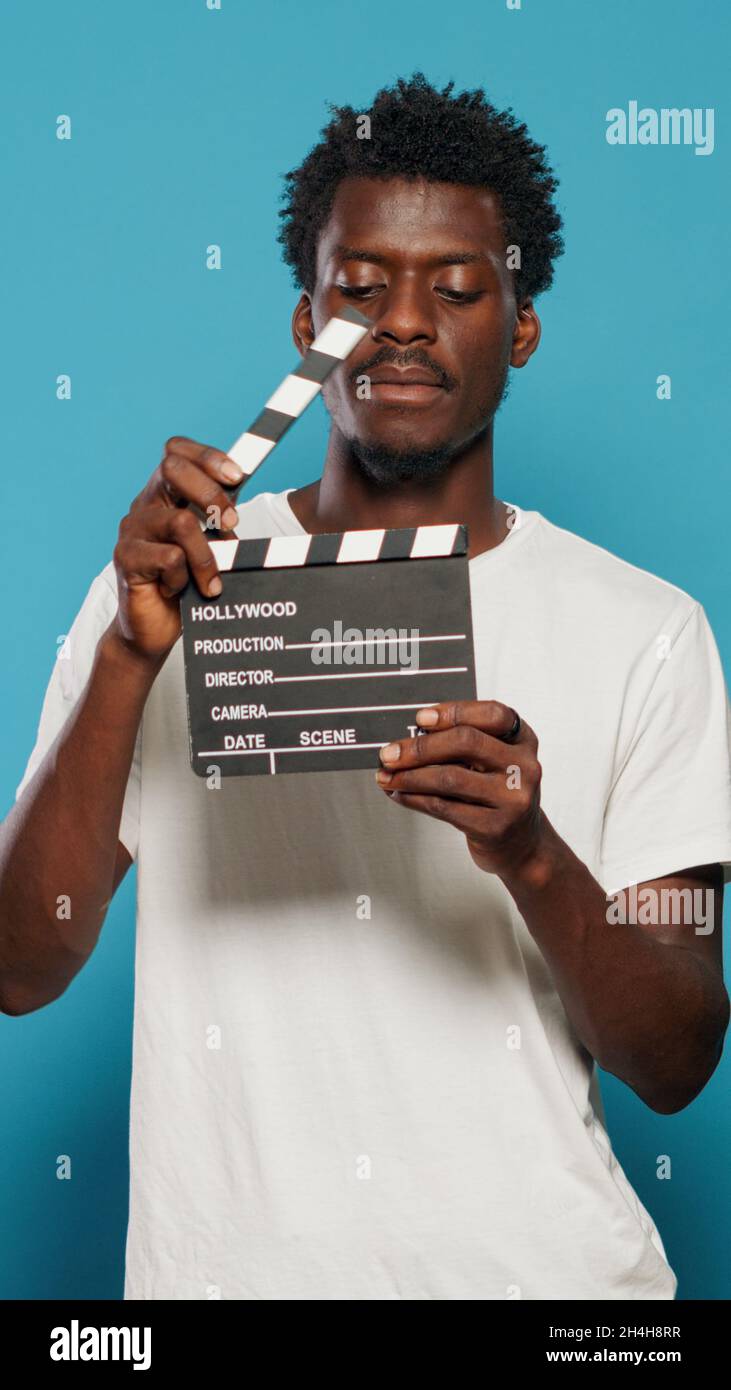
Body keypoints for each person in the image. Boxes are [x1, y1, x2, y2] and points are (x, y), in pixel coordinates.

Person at [2, 73, 730, 1301]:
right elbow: (21, 968)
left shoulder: (648, 630)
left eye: (454, 289)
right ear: (303, 324)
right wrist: (131, 659)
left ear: (519, 324)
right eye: (357, 287)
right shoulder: (162, 592)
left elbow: (675, 1053)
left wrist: (532, 852)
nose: (402, 321)